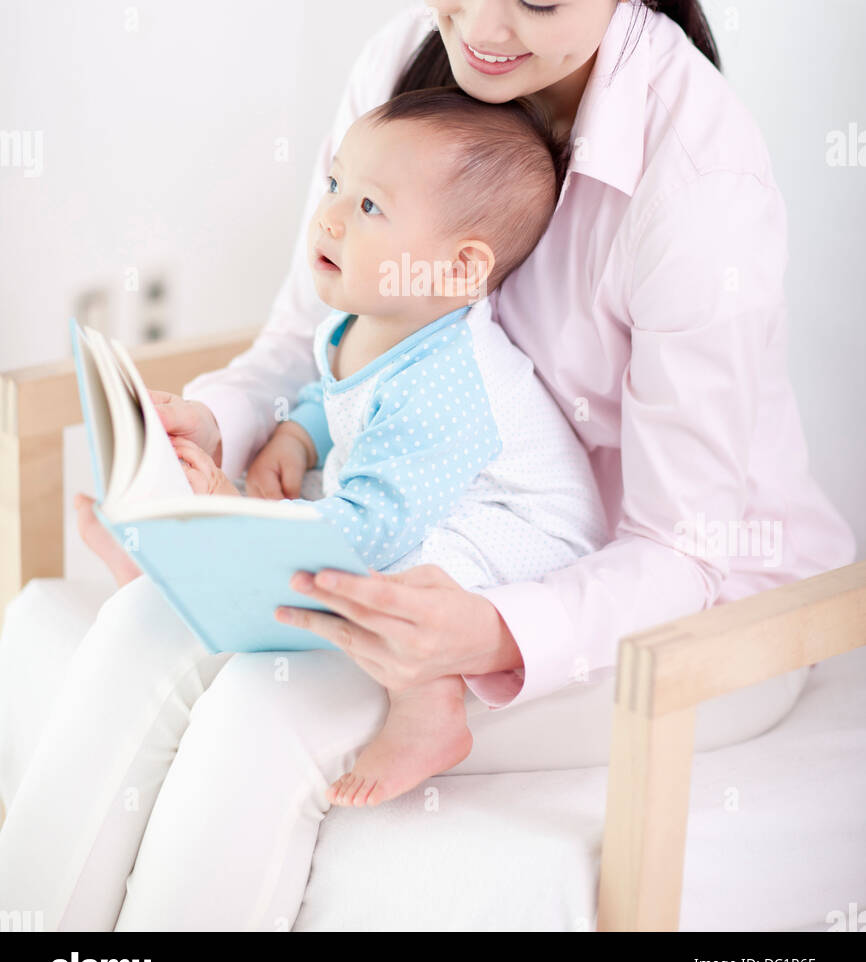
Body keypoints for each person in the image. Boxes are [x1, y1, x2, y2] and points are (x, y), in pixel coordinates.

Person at [0, 0, 853, 932]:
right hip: (438, 543)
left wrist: (491, 630)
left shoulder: (695, 181)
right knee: (147, 619)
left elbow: (689, 548)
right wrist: (220, 425)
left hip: (690, 623)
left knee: (268, 708)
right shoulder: (404, 67)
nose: (478, 25)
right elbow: (306, 334)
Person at [167, 90, 608, 807]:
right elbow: (338, 390)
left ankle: (429, 711)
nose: (331, 214)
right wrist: (297, 431)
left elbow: (375, 524)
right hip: (425, 483)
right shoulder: (366, 315)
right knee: (317, 491)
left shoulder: (448, 382)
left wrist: (250, 527)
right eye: (337, 183)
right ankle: (181, 562)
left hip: (532, 531)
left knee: (416, 569)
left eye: (369, 208)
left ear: (461, 269)